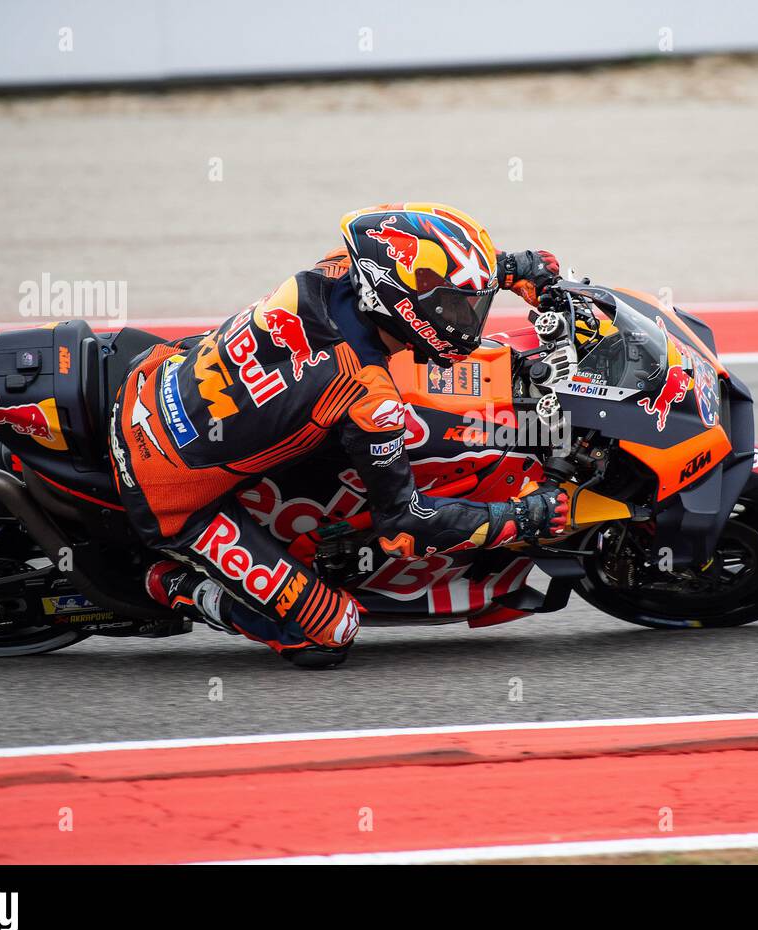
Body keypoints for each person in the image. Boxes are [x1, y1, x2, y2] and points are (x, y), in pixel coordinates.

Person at [108, 203, 569, 668]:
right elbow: (404, 529)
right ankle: (171, 584)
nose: (468, 316)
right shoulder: (366, 393)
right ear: (404, 305)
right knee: (331, 631)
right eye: (454, 305)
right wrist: (521, 517)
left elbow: (412, 256)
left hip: (150, 380)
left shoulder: (338, 270)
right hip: (169, 491)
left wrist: (509, 268)